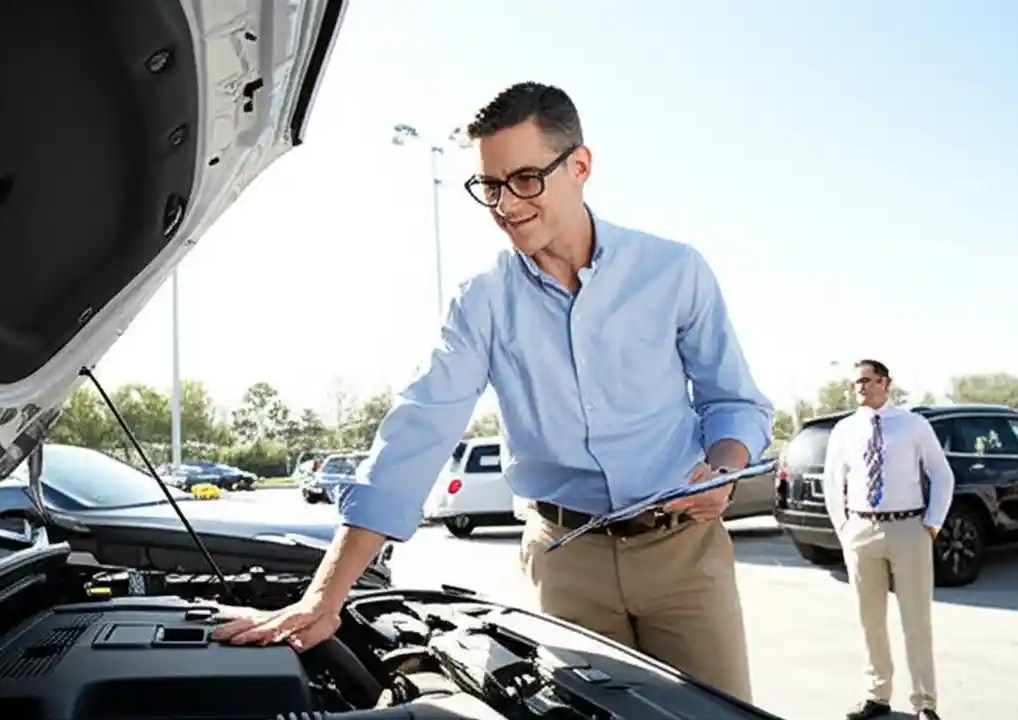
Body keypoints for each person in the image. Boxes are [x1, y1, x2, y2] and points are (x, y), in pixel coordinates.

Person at [211, 82, 773, 702]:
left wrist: (725, 467)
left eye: (526, 179)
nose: (506, 204)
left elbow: (734, 402)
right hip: (566, 561)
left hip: (683, 553)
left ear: (580, 167)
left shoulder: (674, 271)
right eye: (492, 186)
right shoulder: (482, 300)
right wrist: (325, 596)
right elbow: (418, 430)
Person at [822, 359, 954, 720]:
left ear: (885, 383)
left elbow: (941, 475)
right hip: (862, 530)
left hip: (908, 528)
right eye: (855, 383)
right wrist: (844, 529)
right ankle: (876, 694)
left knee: (916, 619)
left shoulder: (913, 425)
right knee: (870, 619)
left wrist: (932, 524)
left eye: (866, 381)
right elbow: (832, 481)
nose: (859, 388)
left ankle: (925, 701)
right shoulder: (845, 430)